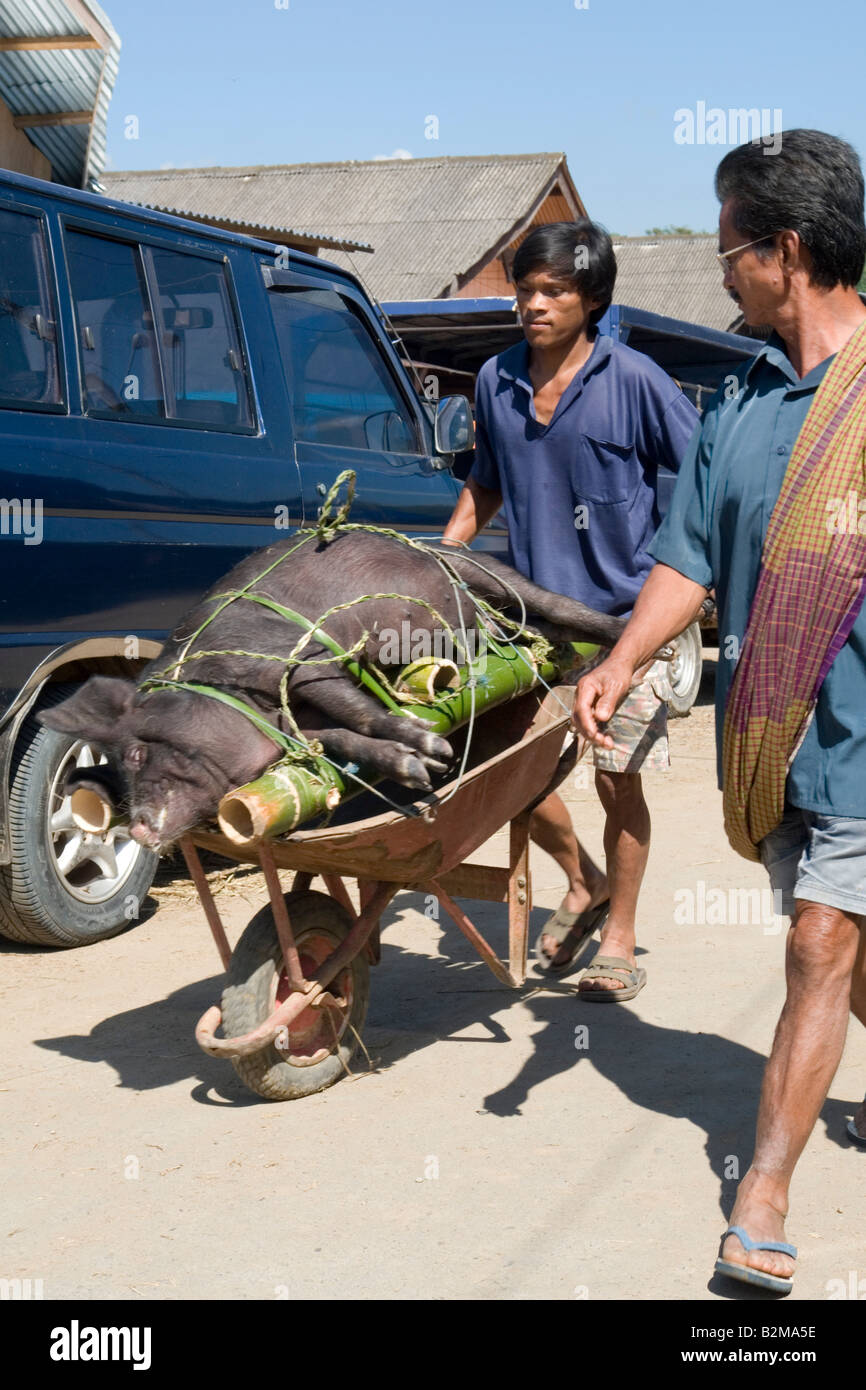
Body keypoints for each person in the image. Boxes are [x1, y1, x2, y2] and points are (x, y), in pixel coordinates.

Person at [573, 129, 866, 1294]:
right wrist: (617, 659)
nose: (719, 269)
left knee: (817, 942)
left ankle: (762, 1191)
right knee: (835, 940)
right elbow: (687, 559)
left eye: (728, 248)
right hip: (769, 735)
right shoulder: (737, 398)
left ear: (784, 251)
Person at [441, 221, 699, 996]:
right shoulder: (495, 378)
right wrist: (443, 552)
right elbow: (486, 477)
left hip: (625, 624)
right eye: (525, 290)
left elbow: (703, 478)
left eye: (553, 291)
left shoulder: (636, 380)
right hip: (535, 619)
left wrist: (681, 578)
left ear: (591, 298)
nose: (534, 304)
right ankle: (582, 879)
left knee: (619, 780)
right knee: (512, 770)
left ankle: (619, 934)